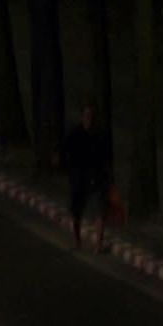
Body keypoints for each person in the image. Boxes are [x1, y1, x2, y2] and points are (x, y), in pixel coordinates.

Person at [60, 103, 114, 250]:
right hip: (79, 177)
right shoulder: (75, 133)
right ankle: (77, 240)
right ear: (82, 117)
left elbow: (106, 155)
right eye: (86, 116)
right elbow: (66, 151)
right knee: (77, 210)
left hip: (97, 176)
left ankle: (98, 244)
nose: (88, 119)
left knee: (100, 210)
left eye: (91, 116)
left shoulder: (99, 135)